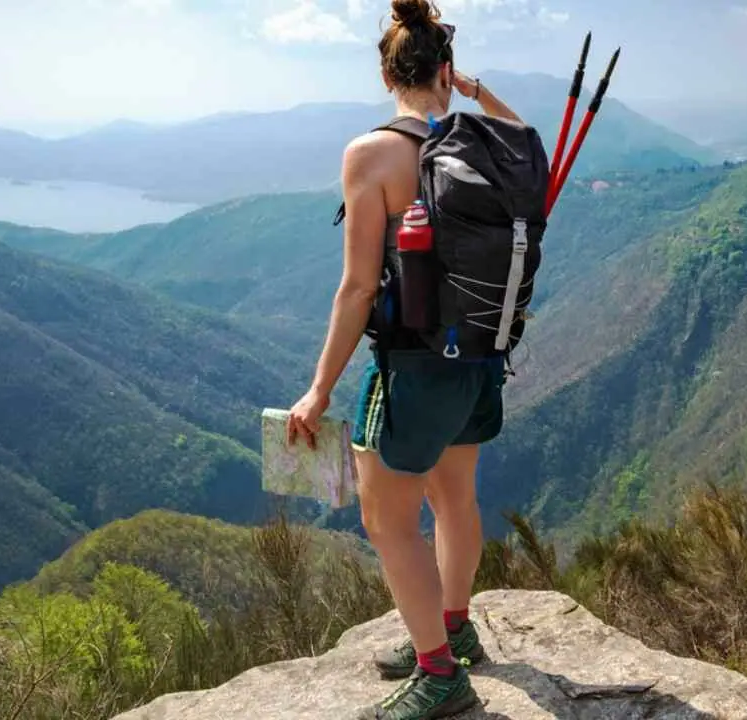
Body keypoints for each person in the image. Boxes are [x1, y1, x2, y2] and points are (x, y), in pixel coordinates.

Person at [285, 0, 523, 717]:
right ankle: (455, 627)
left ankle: (439, 672)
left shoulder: (373, 154)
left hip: (413, 367)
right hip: (480, 355)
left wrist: (319, 389)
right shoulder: (485, 144)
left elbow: (359, 287)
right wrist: (474, 91)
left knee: (388, 522)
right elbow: (527, 142)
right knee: (455, 499)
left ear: (386, 74)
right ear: (446, 71)